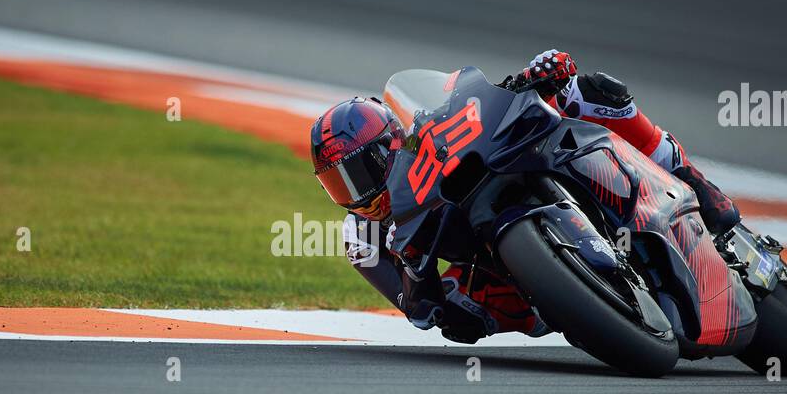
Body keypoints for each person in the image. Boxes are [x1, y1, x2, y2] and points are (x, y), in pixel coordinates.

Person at [309, 50, 740, 344]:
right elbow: (415, 308)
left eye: (360, 171)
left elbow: (480, 104)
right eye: (338, 182)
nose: (357, 192)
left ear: (392, 143)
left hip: (510, 171)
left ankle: (694, 182)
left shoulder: (425, 132)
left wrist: (534, 78)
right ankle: (579, 299)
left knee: (588, 92)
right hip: (492, 263)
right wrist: (436, 305)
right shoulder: (361, 239)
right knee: (464, 305)